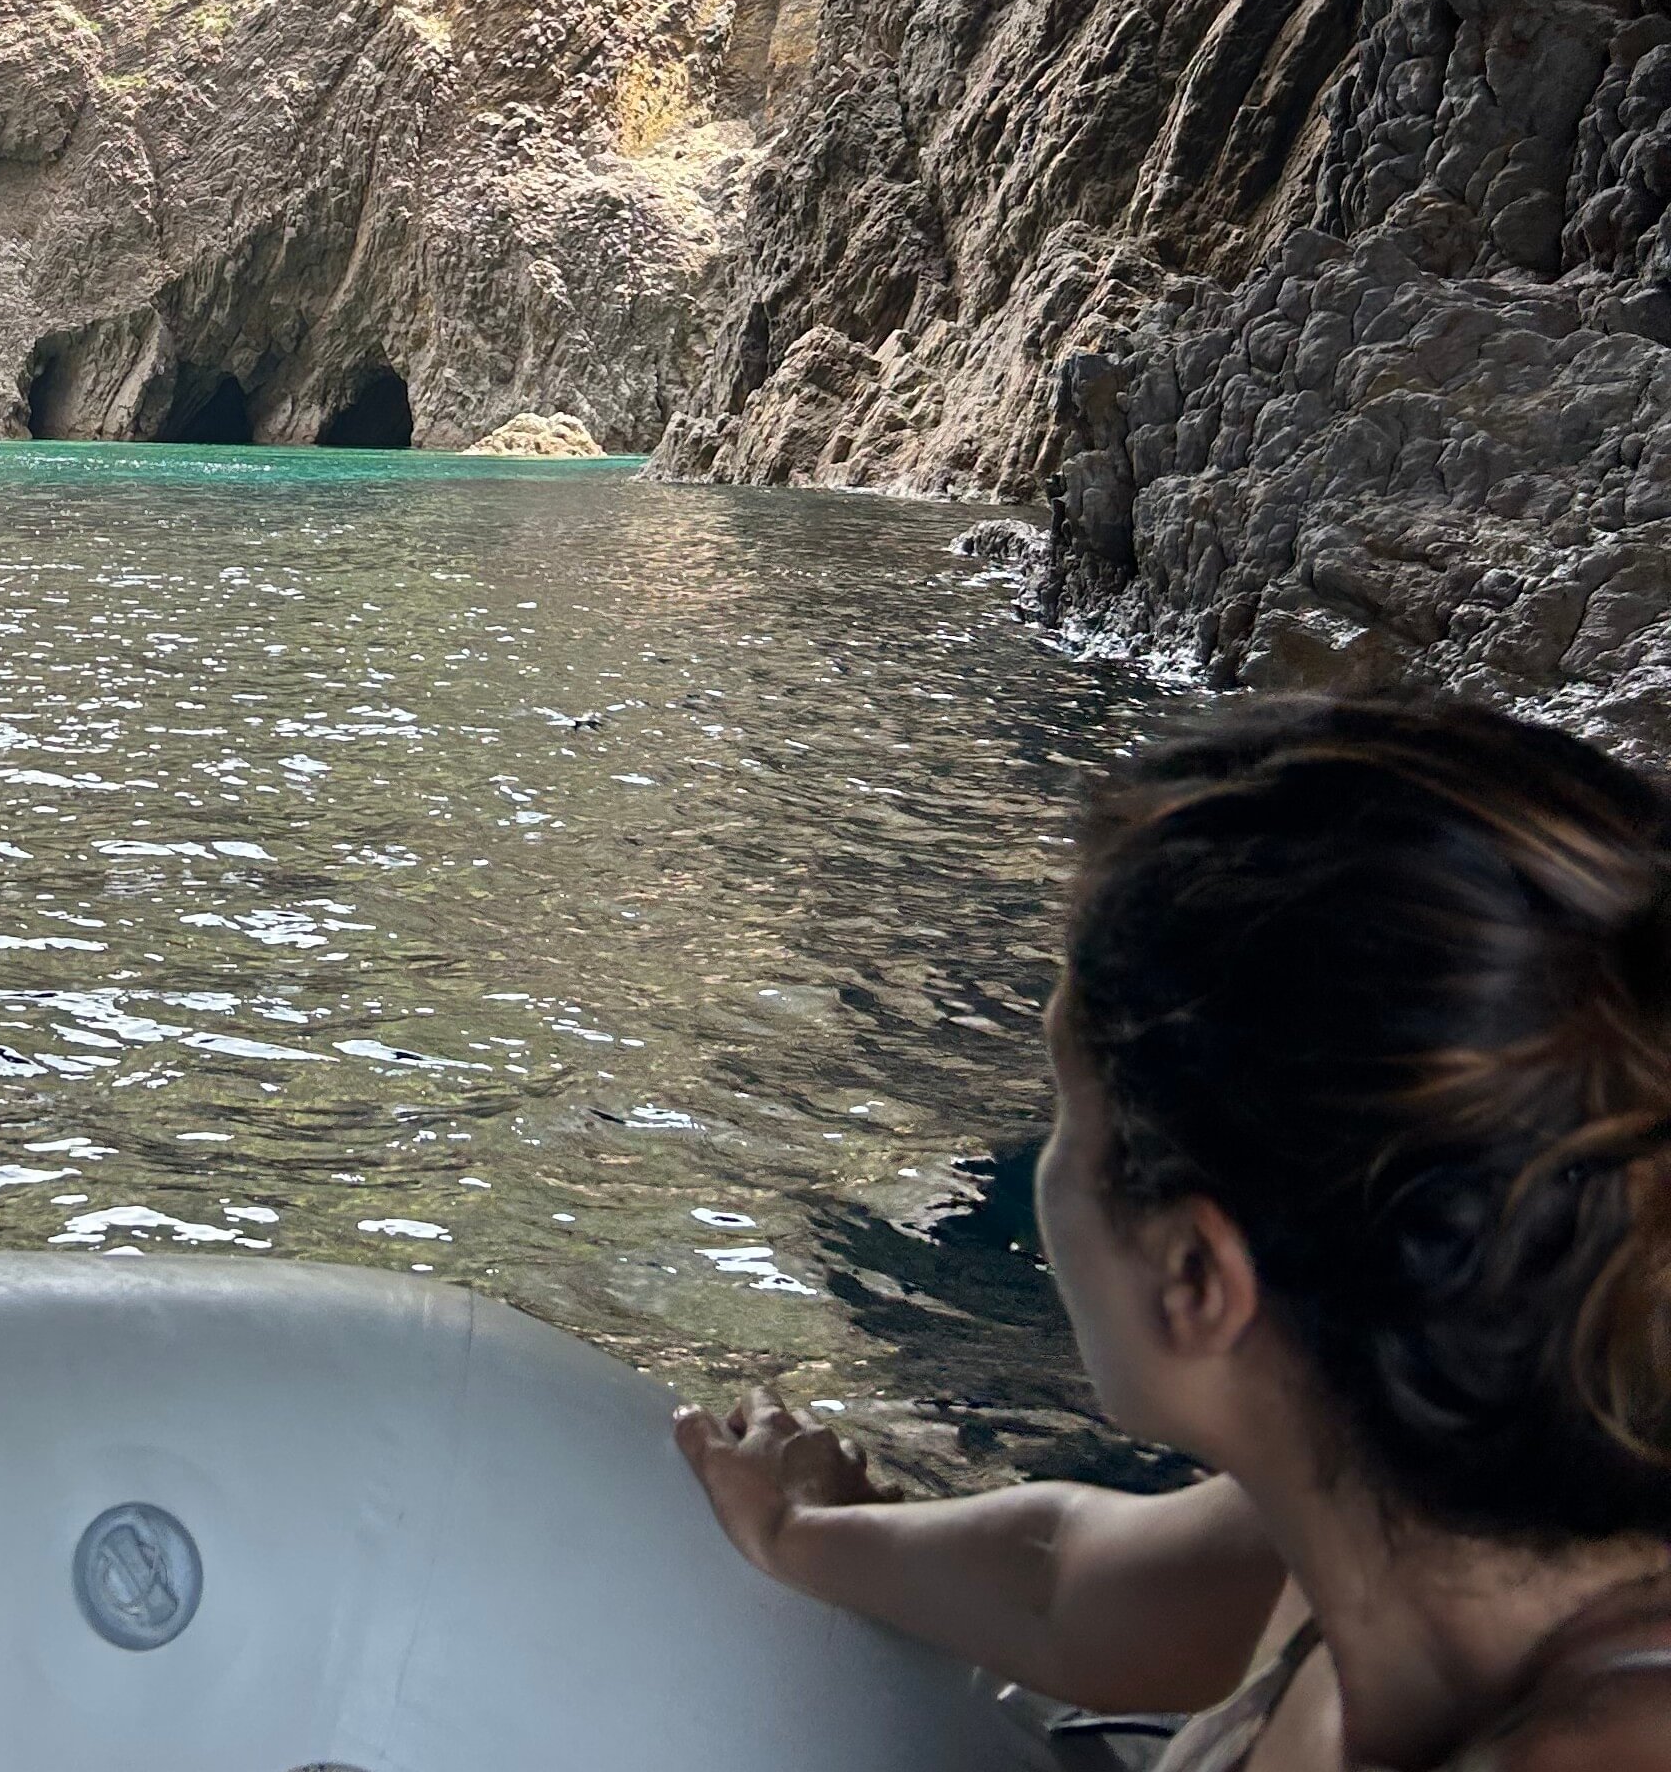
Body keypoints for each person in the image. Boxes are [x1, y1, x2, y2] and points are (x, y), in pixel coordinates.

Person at [675, 699, 1671, 1769]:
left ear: (1194, 1274)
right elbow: (1061, 1581)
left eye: (1064, 1109)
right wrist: (798, 1531)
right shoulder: (1402, 1522)